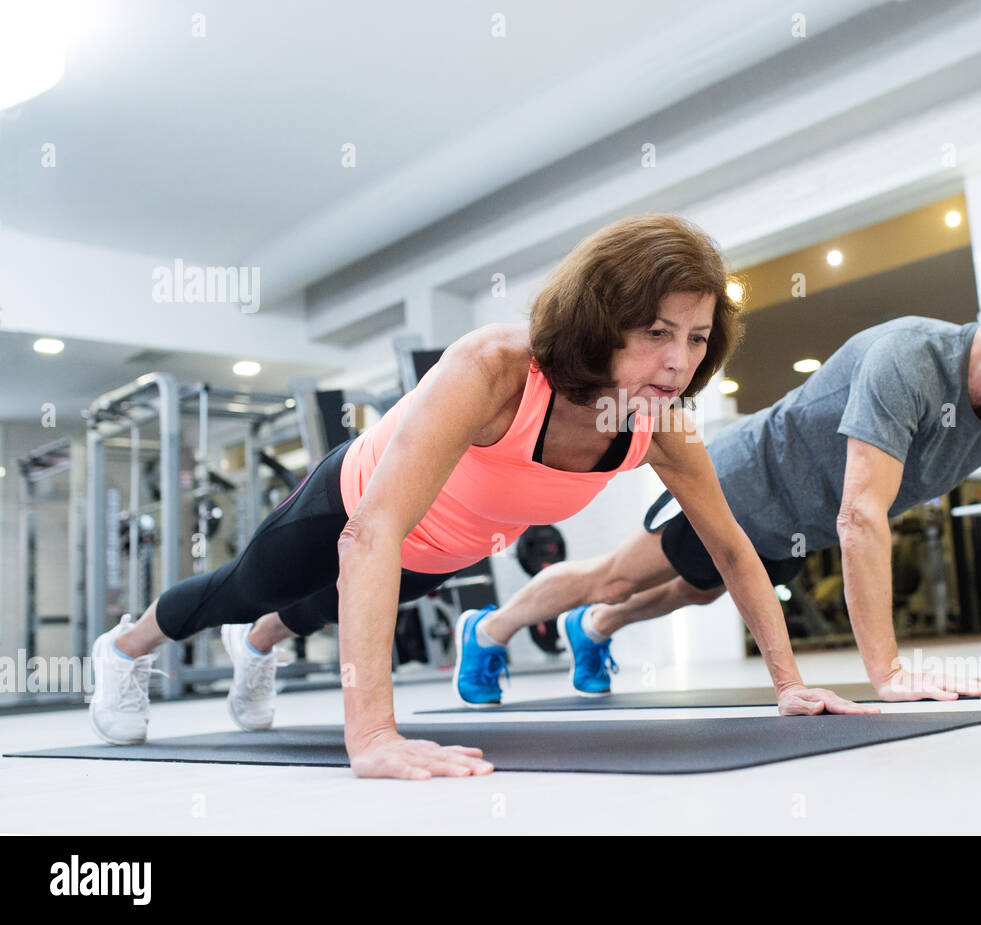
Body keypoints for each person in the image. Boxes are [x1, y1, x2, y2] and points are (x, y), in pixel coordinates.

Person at [88, 213, 871, 781]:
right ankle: (124, 650)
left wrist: (789, 683)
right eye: (658, 332)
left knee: (317, 610)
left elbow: (733, 547)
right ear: (603, 320)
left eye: (697, 339)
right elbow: (370, 534)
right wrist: (373, 734)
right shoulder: (497, 369)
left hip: (449, 546)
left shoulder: (660, 421)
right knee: (244, 589)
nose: (678, 360)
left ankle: (256, 647)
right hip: (355, 506)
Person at [463, 277, 981, 703]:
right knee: (616, 575)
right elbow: (861, 515)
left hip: (797, 525)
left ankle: (594, 629)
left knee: (696, 588)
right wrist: (887, 673)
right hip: (738, 481)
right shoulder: (910, 359)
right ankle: (487, 629)